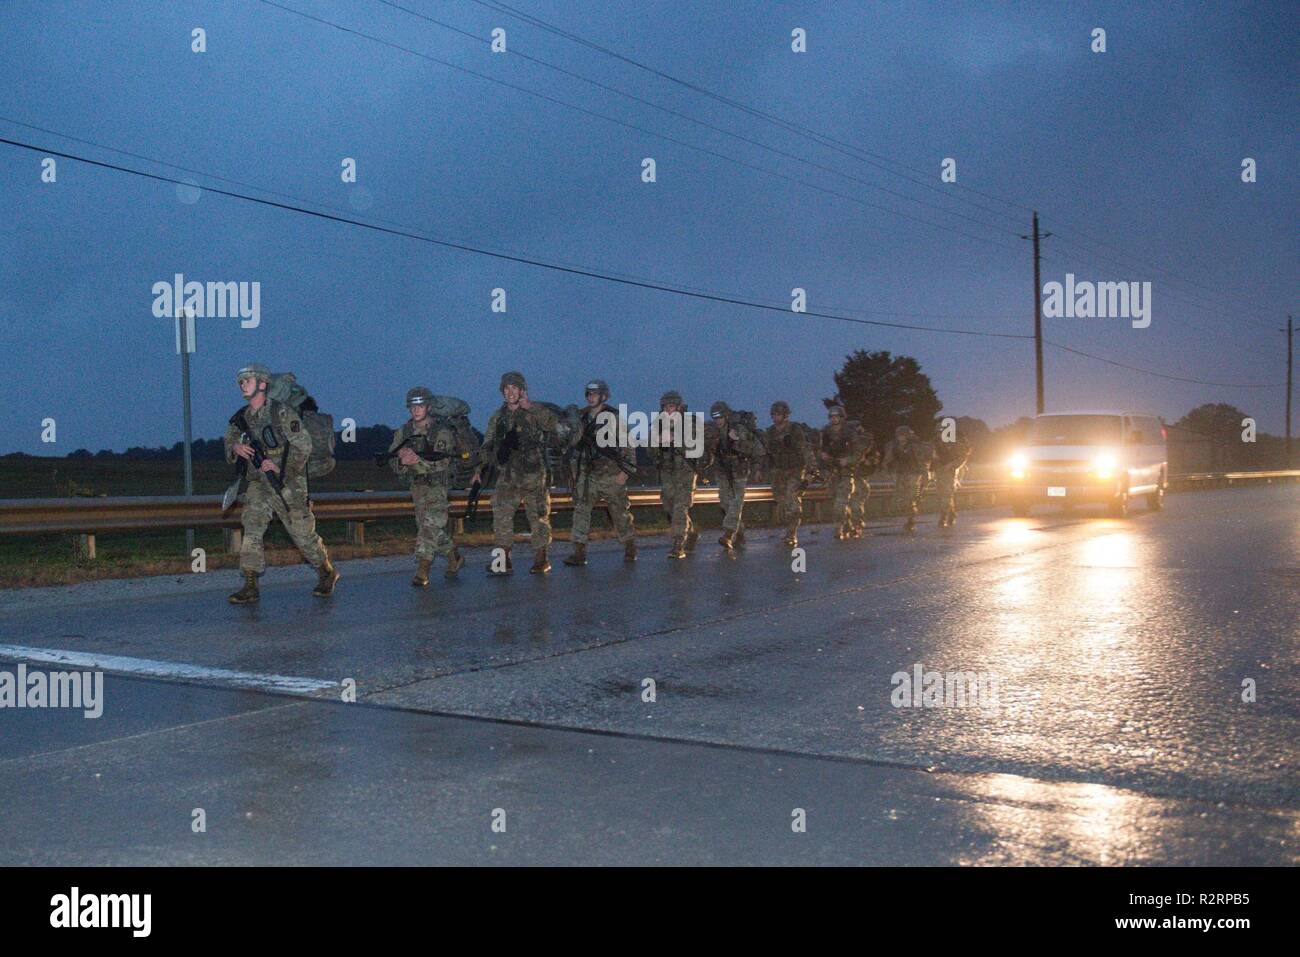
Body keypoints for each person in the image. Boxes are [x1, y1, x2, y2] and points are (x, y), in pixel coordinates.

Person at [224, 363, 337, 604]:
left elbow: (303, 446)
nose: (243, 384)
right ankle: (250, 583)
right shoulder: (239, 418)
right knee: (252, 528)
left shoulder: (282, 413)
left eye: (248, 380)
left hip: (288, 484)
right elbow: (228, 444)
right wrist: (235, 448)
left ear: (262, 384)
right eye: (240, 381)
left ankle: (326, 571)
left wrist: (280, 469)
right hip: (258, 483)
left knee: (301, 534)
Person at [387, 386, 476, 585]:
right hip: (417, 488)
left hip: (438, 488)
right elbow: (391, 459)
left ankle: (422, 570)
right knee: (432, 528)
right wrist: (401, 461)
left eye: (419, 405)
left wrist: (415, 461)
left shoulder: (441, 432)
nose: (415, 409)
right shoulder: (404, 432)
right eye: (412, 406)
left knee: (428, 528)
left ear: (428, 406)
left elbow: (442, 462)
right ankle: (454, 556)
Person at [474, 371, 558, 574]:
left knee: (538, 517)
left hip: (534, 474)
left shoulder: (533, 411)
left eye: (514, 388)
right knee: (501, 516)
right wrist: (479, 469)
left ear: (522, 391)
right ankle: (502, 562)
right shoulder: (498, 417)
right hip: (507, 475)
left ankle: (541, 558)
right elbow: (487, 444)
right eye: (506, 388)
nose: (510, 392)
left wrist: (532, 408)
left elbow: (553, 424)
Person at [564, 379, 638, 566]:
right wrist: (574, 472)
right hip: (587, 474)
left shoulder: (613, 417)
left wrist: (625, 472)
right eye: (588, 394)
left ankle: (630, 545)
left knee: (619, 512)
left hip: (611, 474)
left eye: (595, 394)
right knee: (581, 511)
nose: (591, 397)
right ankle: (579, 552)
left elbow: (628, 445)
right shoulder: (580, 418)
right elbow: (572, 446)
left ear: (603, 396)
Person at [706, 401, 763, 550]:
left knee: (736, 502)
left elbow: (756, 449)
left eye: (719, 417)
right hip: (722, 470)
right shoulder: (714, 431)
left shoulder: (738, 429)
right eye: (714, 417)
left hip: (739, 469)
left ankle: (729, 533)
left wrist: (736, 441)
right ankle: (740, 533)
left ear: (726, 416)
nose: (717, 420)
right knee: (726, 502)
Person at [652, 390, 700, 559]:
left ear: (679, 407)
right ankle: (690, 532)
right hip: (667, 473)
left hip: (685, 472)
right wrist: (657, 442)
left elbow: (697, 447)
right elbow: (651, 450)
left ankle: (678, 544)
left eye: (671, 406)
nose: (668, 410)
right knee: (670, 507)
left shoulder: (690, 422)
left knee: (680, 507)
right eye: (666, 407)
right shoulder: (658, 423)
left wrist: (677, 439)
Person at [765, 400, 815, 548]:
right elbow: (766, 453)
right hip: (778, 472)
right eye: (773, 414)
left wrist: (811, 470)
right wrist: (759, 471)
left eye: (778, 414)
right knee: (782, 502)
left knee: (792, 500)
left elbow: (805, 449)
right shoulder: (770, 433)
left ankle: (791, 533)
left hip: (794, 470)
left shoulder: (794, 430)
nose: (775, 417)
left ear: (785, 415)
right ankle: (789, 529)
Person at [818, 405, 865, 540]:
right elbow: (820, 448)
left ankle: (839, 527)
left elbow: (858, 452)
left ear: (841, 417)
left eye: (836, 416)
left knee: (841, 501)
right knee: (835, 498)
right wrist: (823, 456)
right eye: (832, 417)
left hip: (847, 471)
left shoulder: (849, 432)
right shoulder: (826, 432)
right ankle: (848, 524)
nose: (834, 419)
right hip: (832, 470)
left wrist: (848, 460)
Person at [882, 425, 933, 533]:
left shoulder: (915, 446)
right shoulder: (893, 446)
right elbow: (887, 459)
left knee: (912, 497)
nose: (901, 438)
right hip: (900, 474)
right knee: (900, 498)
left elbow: (922, 462)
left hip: (914, 474)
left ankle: (911, 519)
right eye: (899, 435)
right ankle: (910, 515)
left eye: (903, 435)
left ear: (908, 436)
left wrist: (925, 475)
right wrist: (886, 470)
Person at [846, 419, 877, 537]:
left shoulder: (865, 442)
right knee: (846, 504)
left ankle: (857, 525)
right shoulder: (845, 442)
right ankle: (849, 526)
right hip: (847, 477)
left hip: (859, 479)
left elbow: (872, 461)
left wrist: (866, 461)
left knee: (855, 504)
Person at [933, 437, 972, 529]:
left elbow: (962, 457)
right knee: (941, 495)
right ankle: (951, 513)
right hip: (939, 472)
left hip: (951, 472)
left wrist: (952, 465)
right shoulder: (937, 444)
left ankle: (943, 517)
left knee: (947, 495)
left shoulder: (955, 444)